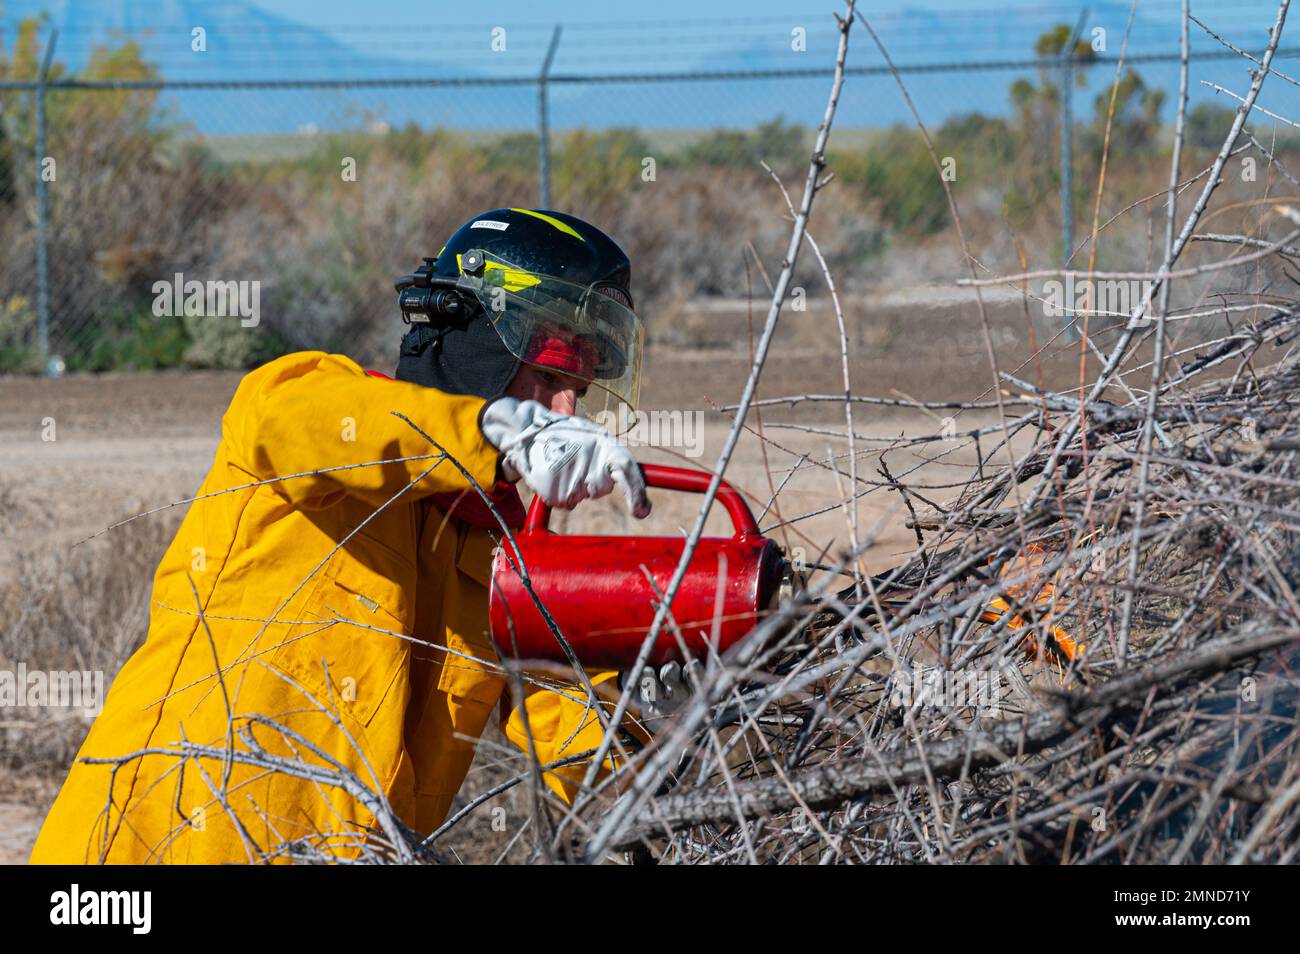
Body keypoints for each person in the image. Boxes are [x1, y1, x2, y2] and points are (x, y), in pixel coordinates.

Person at [30, 208, 650, 863]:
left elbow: (578, 733)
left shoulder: (507, 553)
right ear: (476, 342)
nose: (565, 413)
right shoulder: (315, 407)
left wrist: (688, 754)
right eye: (550, 378)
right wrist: (493, 427)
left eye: (577, 391)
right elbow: (297, 420)